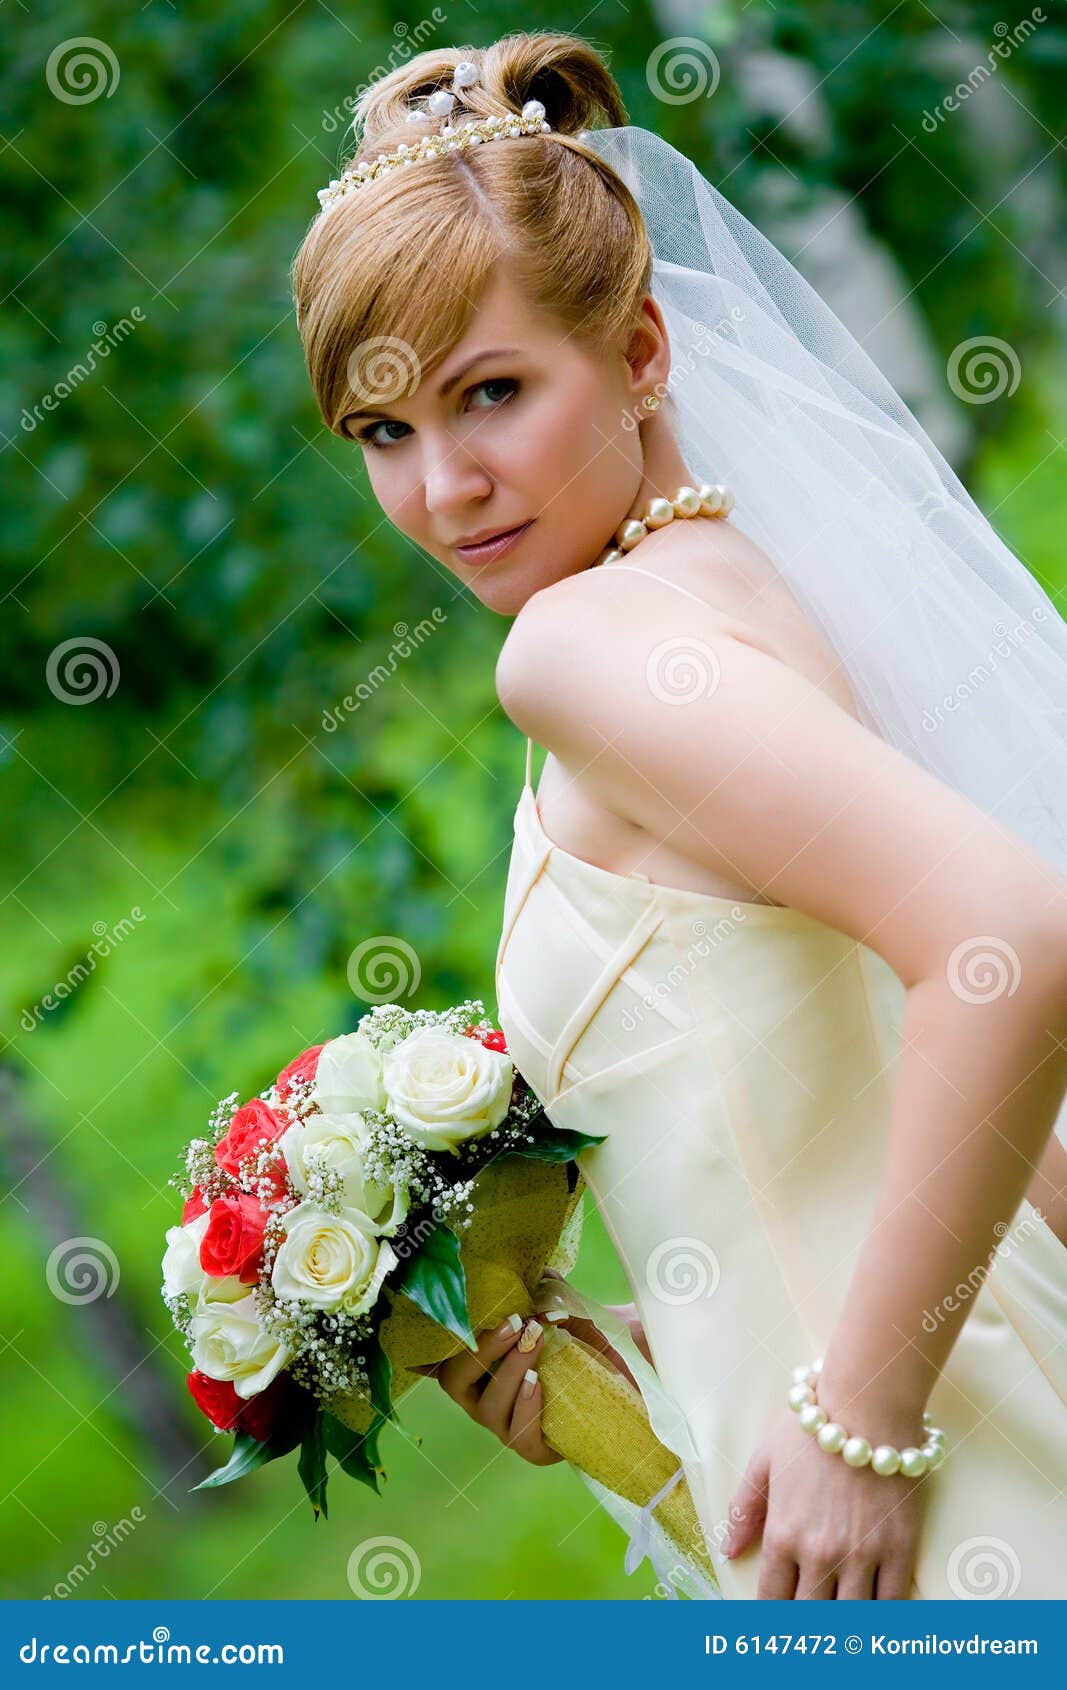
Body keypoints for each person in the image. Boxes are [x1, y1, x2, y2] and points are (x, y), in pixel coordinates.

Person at [293, 31, 1067, 1599]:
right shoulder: (735, 601)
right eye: (385, 433)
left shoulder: (578, 652)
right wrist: (673, 1336)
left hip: (929, 1515)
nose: (445, 488)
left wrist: (861, 1411)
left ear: (642, 353)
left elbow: (1012, 940)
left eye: (490, 394)